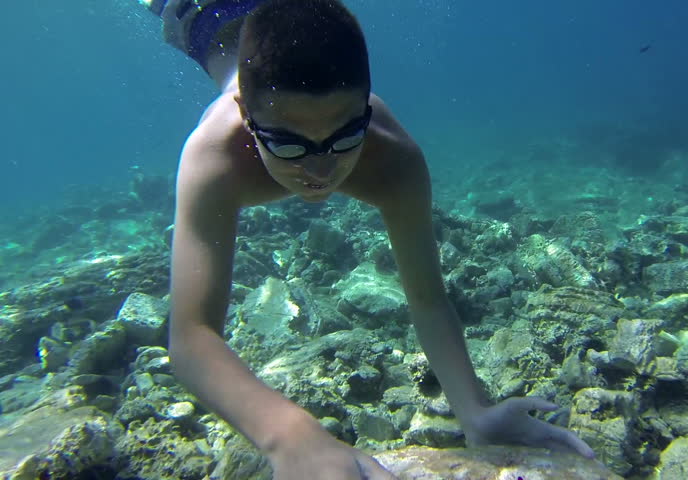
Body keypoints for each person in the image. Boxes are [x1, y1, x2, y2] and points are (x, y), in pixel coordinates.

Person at [148, 0, 595, 478]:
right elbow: (191, 337)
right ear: (244, 113)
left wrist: (475, 412)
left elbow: (428, 299)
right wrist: (291, 436)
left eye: (345, 137)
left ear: (365, 108)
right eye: (288, 144)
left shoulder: (393, 159)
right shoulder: (215, 159)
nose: (321, 170)